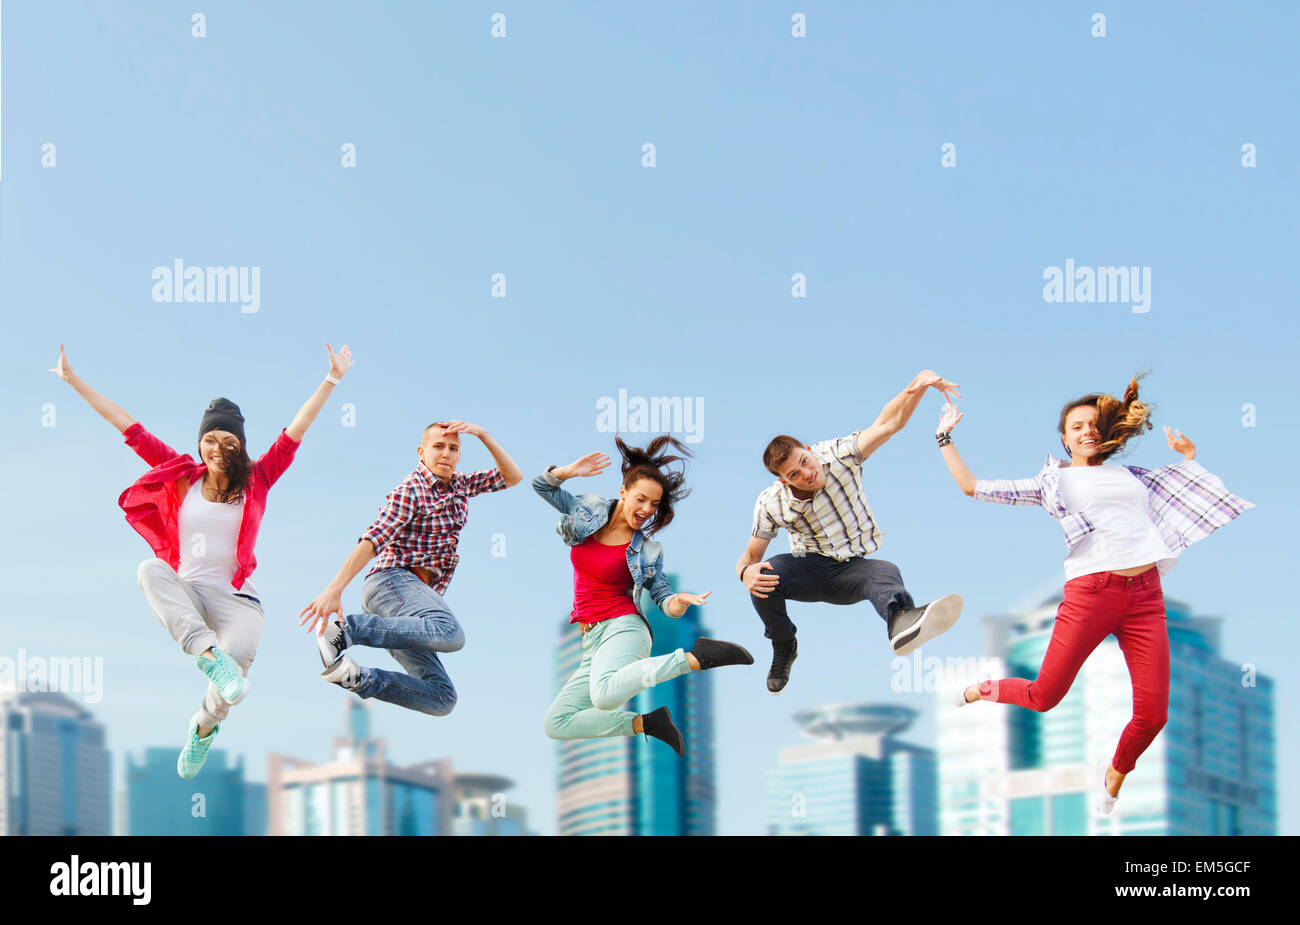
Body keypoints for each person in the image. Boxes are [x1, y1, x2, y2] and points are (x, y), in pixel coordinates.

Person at [937, 375, 1252, 814]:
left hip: (1145, 597)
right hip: (1091, 593)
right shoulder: (1053, 483)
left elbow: (1178, 492)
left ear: (1104, 433)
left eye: (1092, 425)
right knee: (1044, 697)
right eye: (1077, 426)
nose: (1087, 431)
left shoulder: (1133, 476)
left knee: (1154, 715)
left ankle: (1116, 772)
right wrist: (944, 436)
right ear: (1064, 439)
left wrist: (1189, 456)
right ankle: (980, 689)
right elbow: (973, 487)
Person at [51, 342, 351, 778]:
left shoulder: (260, 478)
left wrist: (332, 379)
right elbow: (128, 426)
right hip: (188, 592)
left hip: (236, 600)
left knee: (240, 672)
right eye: (209, 439)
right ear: (200, 443)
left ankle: (203, 727)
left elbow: (296, 429)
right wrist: (73, 379)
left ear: (240, 446)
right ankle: (206, 654)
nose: (216, 447)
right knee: (149, 570)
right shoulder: (181, 473)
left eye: (227, 440)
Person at [736, 370, 965, 694]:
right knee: (765, 573)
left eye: (805, 460)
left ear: (808, 448)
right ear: (784, 480)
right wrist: (745, 573)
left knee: (886, 571)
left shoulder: (839, 454)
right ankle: (784, 644)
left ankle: (901, 621)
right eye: (795, 473)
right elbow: (750, 555)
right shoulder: (772, 502)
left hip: (851, 570)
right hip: (809, 569)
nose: (807, 472)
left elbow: (889, 424)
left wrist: (918, 386)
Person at [536, 436, 753, 754]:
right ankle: (647, 723)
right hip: (591, 640)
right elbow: (543, 487)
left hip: (624, 629)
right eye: (641, 500)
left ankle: (698, 656)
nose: (647, 510)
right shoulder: (589, 510)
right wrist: (570, 471)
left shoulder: (647, 550)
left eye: (654, 504)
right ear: (623, 492)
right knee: (556, 722)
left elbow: (664, 598)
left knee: (605, 697)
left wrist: (678, 601)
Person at [300, 420, 520, 716]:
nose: (446, 454)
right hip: (391, 583)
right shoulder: (411, 490)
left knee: (442, 699)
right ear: (422, 452)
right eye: (438, 447)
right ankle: (348, 630)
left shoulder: (461, 485)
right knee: (450, 632)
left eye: (453, 449)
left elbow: (512, 477)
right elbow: (373, 539)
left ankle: (358, 678)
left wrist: (483, 435)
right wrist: (334, 590)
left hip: (405, 610)